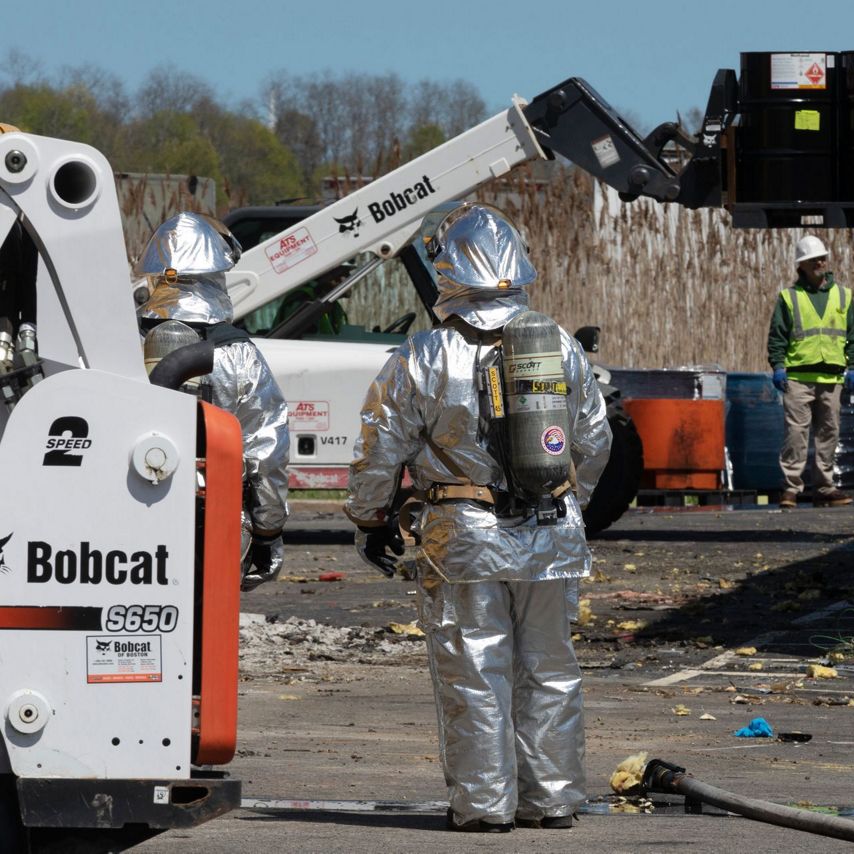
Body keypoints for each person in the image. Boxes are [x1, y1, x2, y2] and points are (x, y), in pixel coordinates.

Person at [344, 202, 611, 833]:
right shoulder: (560, 346)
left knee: (475, 670)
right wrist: (566, 509)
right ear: (516, 268)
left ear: (449, 274)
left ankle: (486, 807)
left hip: (463, 538)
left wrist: (369, 517)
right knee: (549, 667)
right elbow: (595, 441)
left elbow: (379, 445)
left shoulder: (424, 354)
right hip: (551, 536)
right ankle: (552, 799)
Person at [136, 212, 290, 590]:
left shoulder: (124, 345)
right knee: (210, 635)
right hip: (219, 518)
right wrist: (268, 532)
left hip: (132, 516)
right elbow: (267, 449)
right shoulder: (239, 354)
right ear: (218, 273)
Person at [767, 235, 854, 509]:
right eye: (814, 259)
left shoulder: (843, 296)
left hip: (832, 378)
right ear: (803, 265)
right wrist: (778, 367)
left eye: (822, 257)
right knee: (796, 434)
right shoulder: (789, 298)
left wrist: (853, 366)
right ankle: (791, 489)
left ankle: (824, 487)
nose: (821, 262)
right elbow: (777, 337)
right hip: (798, 377)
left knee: (828, 433)